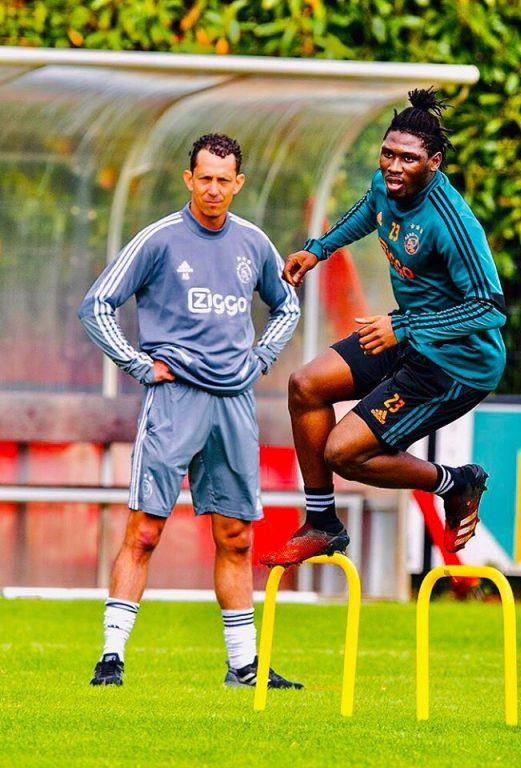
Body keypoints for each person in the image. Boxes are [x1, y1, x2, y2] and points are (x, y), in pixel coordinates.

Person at [79, 133, 302, 690]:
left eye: (224, 180)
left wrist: (262, 357)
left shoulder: (254, 242)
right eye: (204, 178)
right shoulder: (159, 239)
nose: (213, 189)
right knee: (146, 531)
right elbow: (96, 304)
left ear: (238, 184)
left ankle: (244, 666)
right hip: (173, 400)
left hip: (235, 403)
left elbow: (287, 304)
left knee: (236, 537)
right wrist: (136, 364)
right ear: (189, 179)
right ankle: (111, 658)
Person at [260, 89, 507, 568]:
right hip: (409, 332)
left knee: (344, 453)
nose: (393, 166)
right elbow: (369, 209)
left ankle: (456, 482)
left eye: (408, 159)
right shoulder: (387, 185)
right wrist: (319, 249)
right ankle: (322, 524)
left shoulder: (452, 223)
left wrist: (406, 327)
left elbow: (491, 311)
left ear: (434, 163)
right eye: (388, 153)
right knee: (305, 385)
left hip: (458, 363)